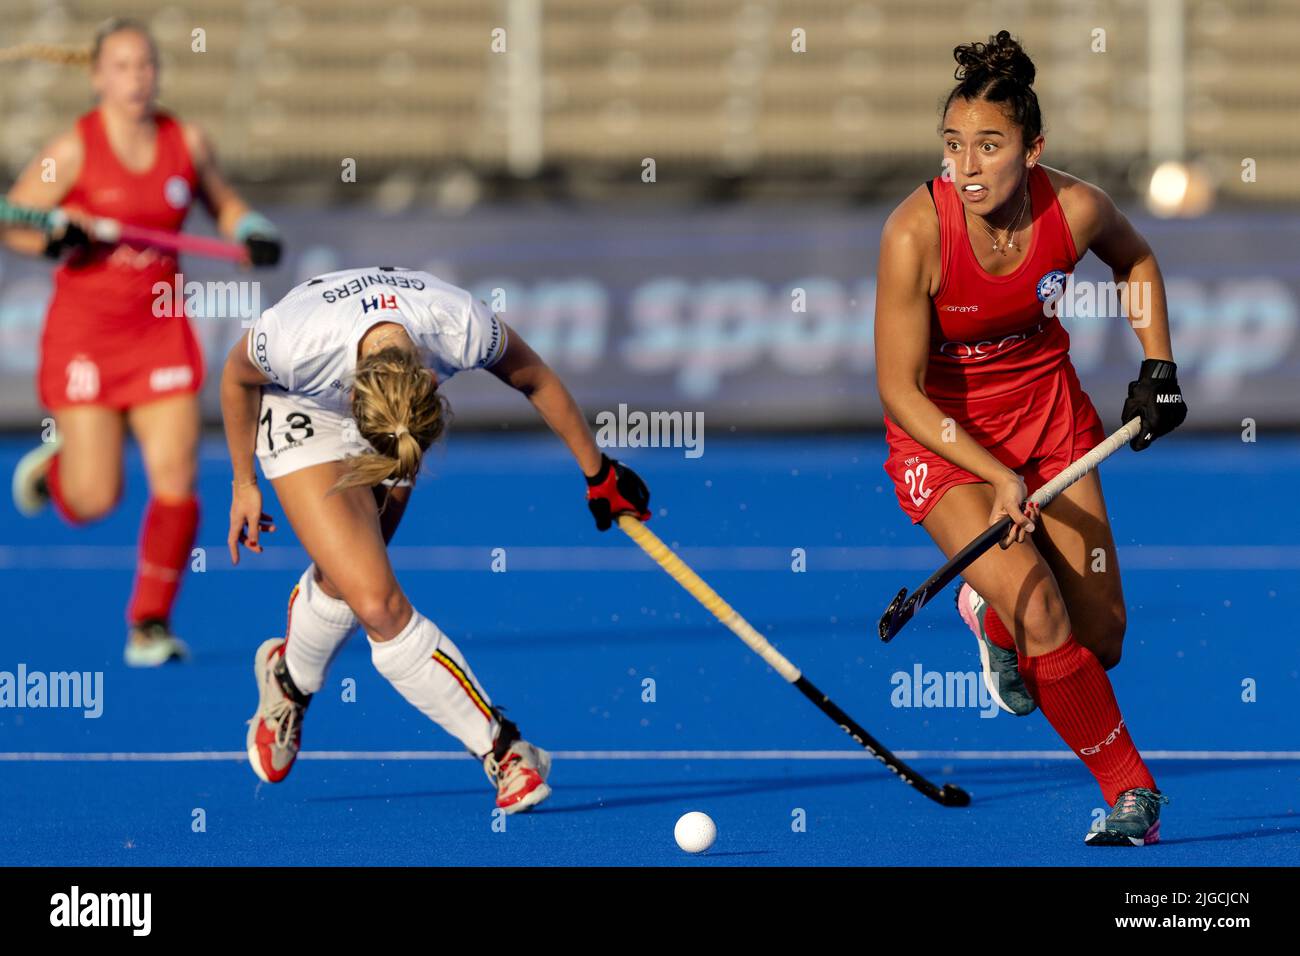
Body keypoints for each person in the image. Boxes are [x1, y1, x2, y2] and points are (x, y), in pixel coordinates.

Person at [873, 31, 1187, 845]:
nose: (965, 168)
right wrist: (994, 475)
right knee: (1043, 605)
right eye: (952, 147)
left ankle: (991, 614)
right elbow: (899, 390)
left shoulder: (1073, 209)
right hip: (944, 445)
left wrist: (1158, 365)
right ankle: (1132, 794)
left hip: (1053, 423)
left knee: (1099, 638)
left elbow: (1138, 261)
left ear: (1033, 148)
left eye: (988, 146)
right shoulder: (917, 232)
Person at [222, 266, 650, 813]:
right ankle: (505, 750)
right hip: (299, 410)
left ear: (427, 383)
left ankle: (288, 679)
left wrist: (599, 473)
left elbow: (534, 378)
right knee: (377, 601)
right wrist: (243, 482)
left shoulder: (459, 325)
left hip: (389, 418)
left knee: (352, 573)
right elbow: (236, 379)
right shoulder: (294, 341)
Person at [4, 18, 282, 665]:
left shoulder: (184, 140)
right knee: (96, 498)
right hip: (85, 339)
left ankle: (149, 623)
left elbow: (225, 204)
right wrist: (55, 234)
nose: (136, 78)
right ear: (98, 76)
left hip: (159, 332)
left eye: (145, 66)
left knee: (177, 478)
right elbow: (13, 219)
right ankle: (58, 469)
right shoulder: (72, 149)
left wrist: (253, 228)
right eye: (122, 67)